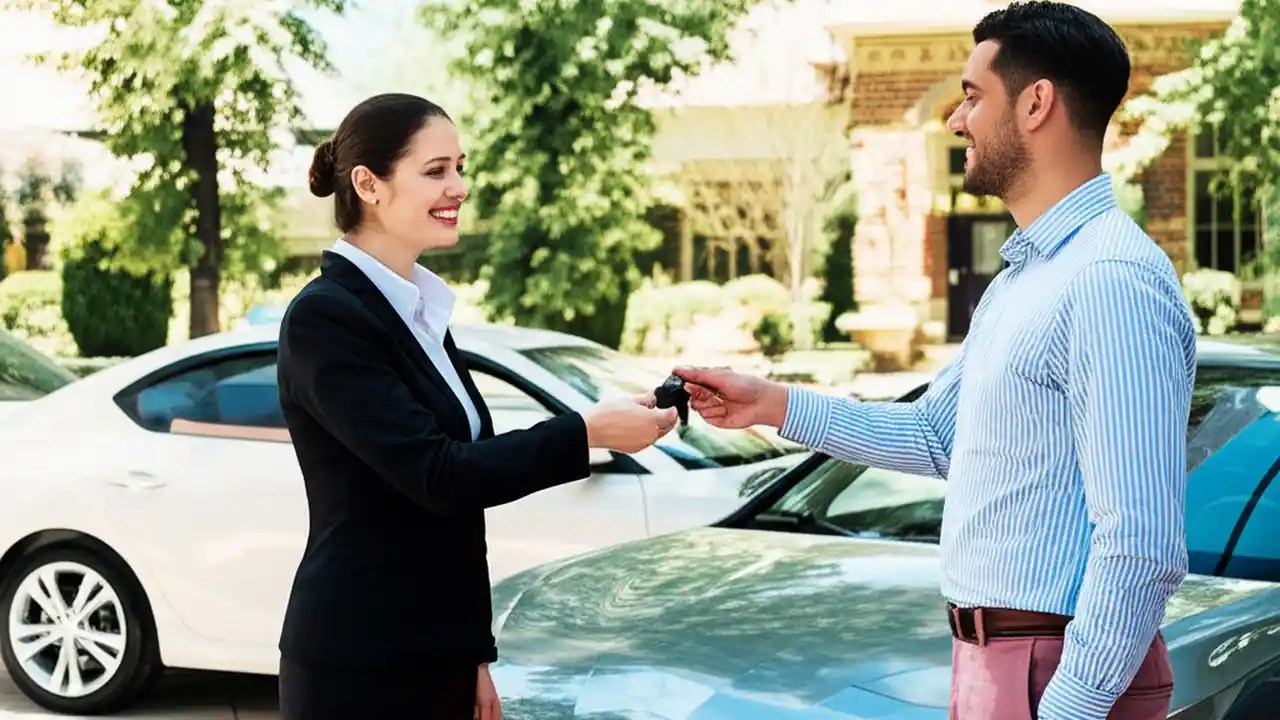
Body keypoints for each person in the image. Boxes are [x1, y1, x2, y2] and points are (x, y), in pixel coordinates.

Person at [675, 3, 1195, 719]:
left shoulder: (1110, 279)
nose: (957, 120)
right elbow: (935, 436)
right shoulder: (1023, 279)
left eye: (974, 96)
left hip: (1062, 671)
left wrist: (1069, 708)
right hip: (995, 662)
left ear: (1037, 102)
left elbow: (1140, 543)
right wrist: (770, 403)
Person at [275, 92, 678, 720]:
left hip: (436, 653)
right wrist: (585, 433)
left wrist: (472, 655)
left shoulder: (420, 313)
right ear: (367, 185)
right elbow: (440, 476)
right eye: (435, 170)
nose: (458, 186)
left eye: (460, 167)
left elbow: (453, 519)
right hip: (360, 662)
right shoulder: (326, 318)